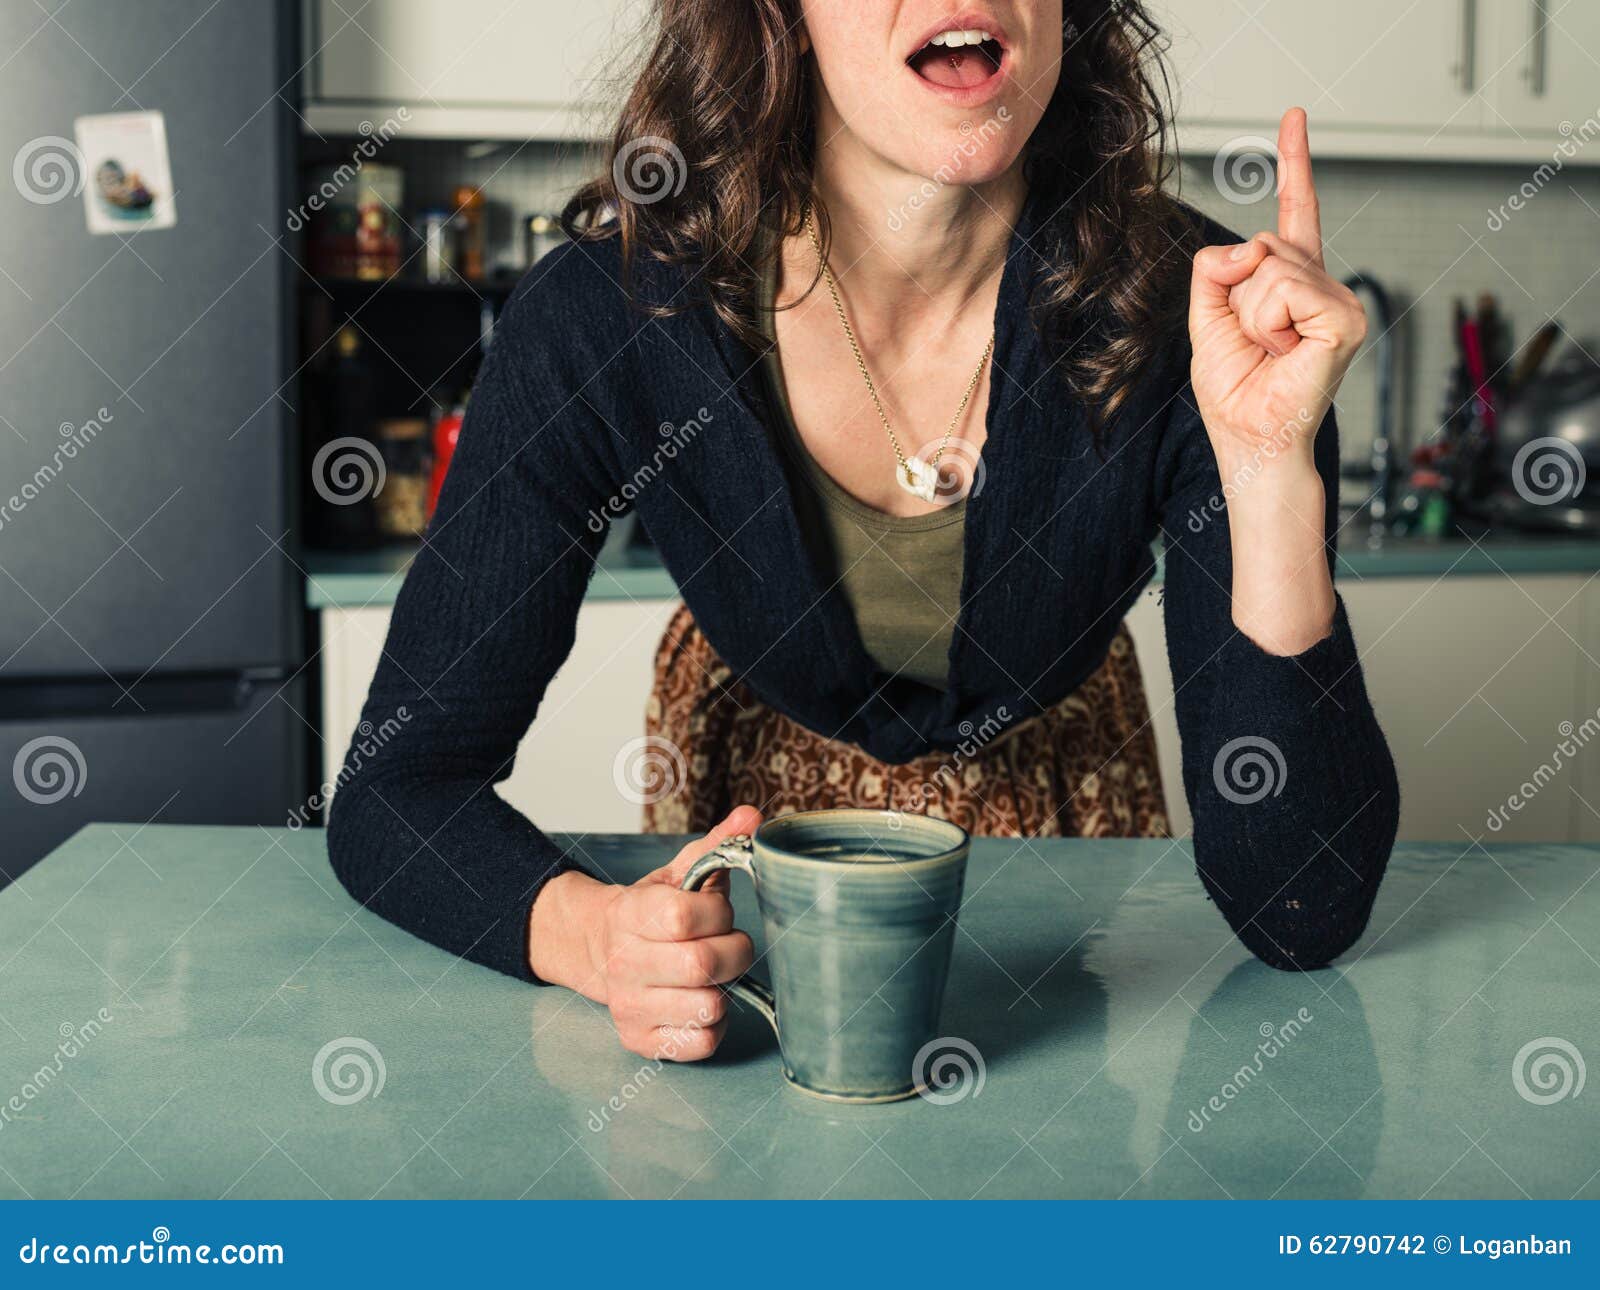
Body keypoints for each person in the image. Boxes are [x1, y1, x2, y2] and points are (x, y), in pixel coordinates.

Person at [328, 1, 1399, 1062]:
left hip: (1069, 861)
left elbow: (1301, 911)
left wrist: (1266, 475)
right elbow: (394, 792)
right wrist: (600, 940)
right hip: (751, 839)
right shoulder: (604, 314)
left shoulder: (1212, 320)